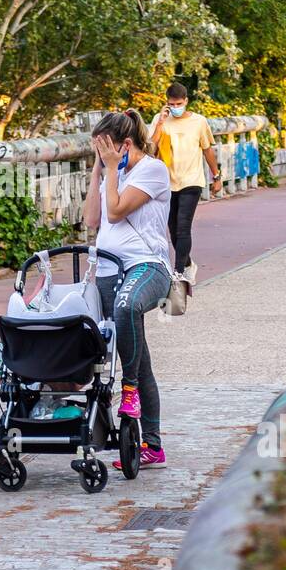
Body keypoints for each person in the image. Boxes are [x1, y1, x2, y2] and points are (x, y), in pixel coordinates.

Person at [83, 110, 172, 470]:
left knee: (125, 306)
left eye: (106, 146)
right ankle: (151, 444)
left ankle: (130, 390)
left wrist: (110, 170)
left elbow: (117, 212)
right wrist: (98, 169)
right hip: (105, 268)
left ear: (126, 145)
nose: (102, 152)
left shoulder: (152, 170)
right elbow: (92, 219)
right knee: (137, 354)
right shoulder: (108, 173)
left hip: (147, 266)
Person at [149, 82, 220, 283]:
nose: (176, 107)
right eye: (172, 104)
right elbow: (150, 149)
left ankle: (178, 272)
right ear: (166, 103)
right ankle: (188, 263)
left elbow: (207, 149)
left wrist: (216, 176)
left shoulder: (199, 122)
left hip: (192, 181)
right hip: (167, 182)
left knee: (183, 227)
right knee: (172, 230)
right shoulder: (159, 120)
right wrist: (161, 123)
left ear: (186, 101)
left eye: (179, 103)